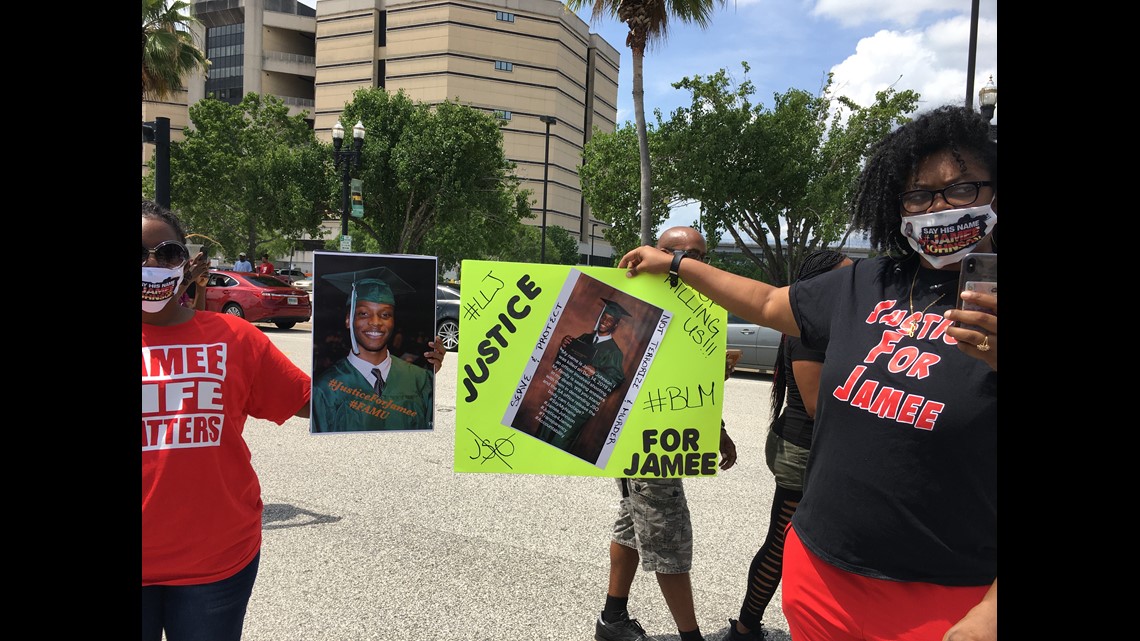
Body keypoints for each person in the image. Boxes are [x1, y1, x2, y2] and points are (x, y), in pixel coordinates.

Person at [618, 105, 997, 641]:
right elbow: (770, 302)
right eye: (918, 195)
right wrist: (677, 265)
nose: (938, 208)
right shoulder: (867, 281)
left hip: (949, 599)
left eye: (961, 189)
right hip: (821, 579)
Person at [142, 198, 313, 641]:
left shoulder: (234, 337)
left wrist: (407, 372)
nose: (152, 264)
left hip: (215, 564)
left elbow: (313, 400)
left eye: (167, 253)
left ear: (187, 261)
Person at [594, 226, 739, 641]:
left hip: (659, 440)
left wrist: (717, 422)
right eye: (677, 252)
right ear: (655, 254)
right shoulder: (637, 303)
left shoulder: (699, 306)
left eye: (698, 254)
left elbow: (689, 388)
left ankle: (612, 619)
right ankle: (690, 636)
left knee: (633, 524)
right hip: (644, 443)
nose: (690, 261)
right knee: (667, 538)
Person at [727, 249, 852, 641]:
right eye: (844, 279)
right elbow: (816, 405)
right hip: (801, 450)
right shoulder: (808, 328)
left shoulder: (831, 323)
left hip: (813, 448)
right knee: (782, 543)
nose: (852, 287)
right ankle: (745, 628)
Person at [311, 266, 440, 432]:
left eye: (385, 315)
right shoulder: (325, 389)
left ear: (394, 321)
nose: (376, 322)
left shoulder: (421, 380)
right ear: (349, 320)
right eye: (364, 314)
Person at [536, 297, 630, 450]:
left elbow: (616, 381)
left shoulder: (614, 352)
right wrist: (563, 347)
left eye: (610, 320)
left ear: (615, 325)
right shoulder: (585, 337)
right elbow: (561, 363)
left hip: (579, 404)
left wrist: (595, 373)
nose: (605, 321)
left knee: (560, 441)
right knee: (543, 434)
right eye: (604, 317)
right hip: (561, 394)